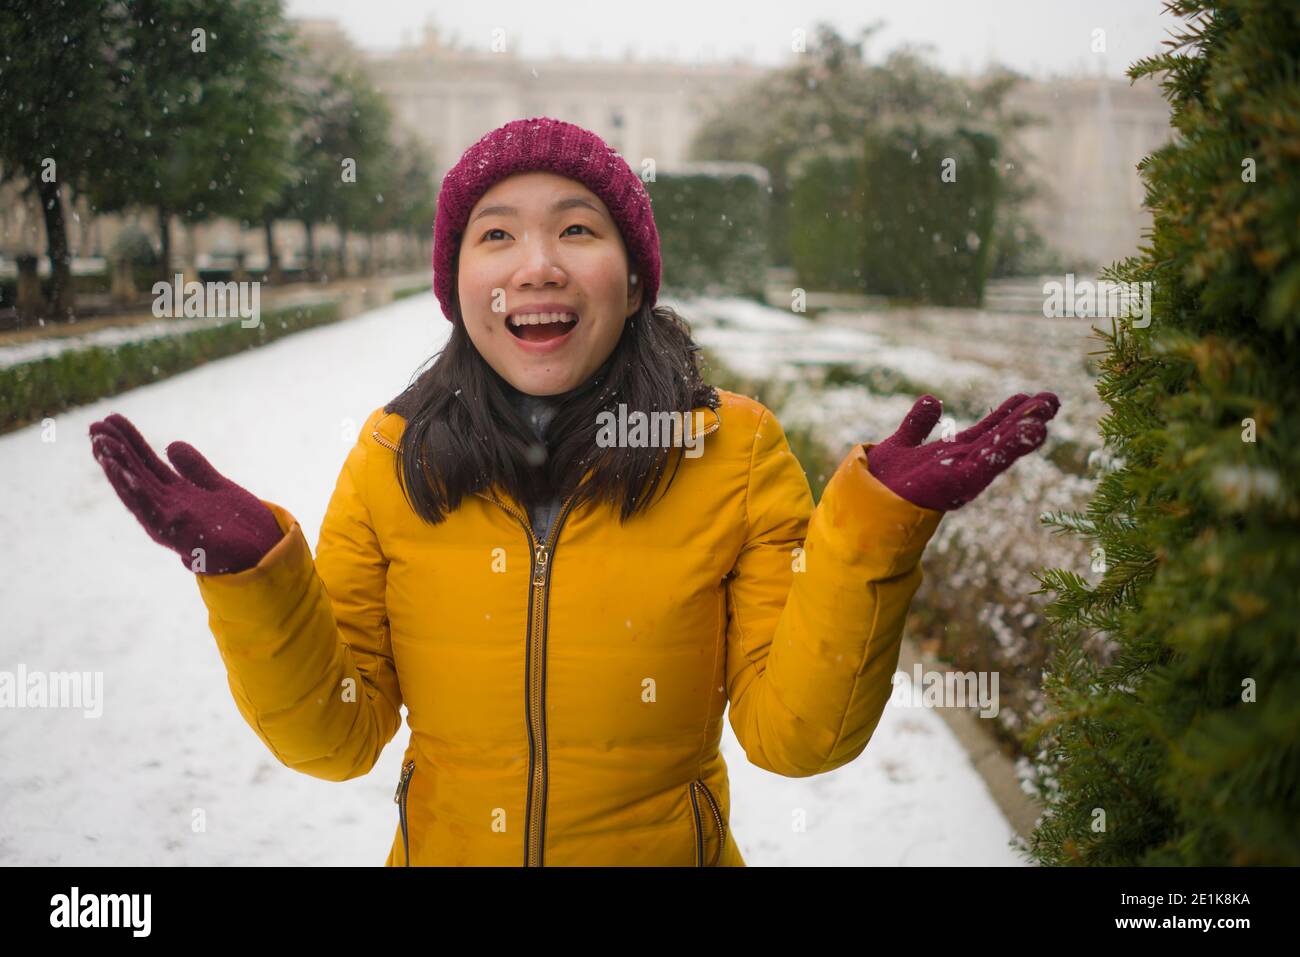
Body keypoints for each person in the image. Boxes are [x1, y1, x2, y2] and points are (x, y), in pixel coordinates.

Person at [88, 116, 1060, 866]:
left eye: (577, 229)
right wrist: (258, 579)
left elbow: (793, 736)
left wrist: (871, 535)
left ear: (634, 281)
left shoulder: (732, 452)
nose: (537, 264)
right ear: (457, 283)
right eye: (495, 234)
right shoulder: (392, 457)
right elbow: (339, 737)